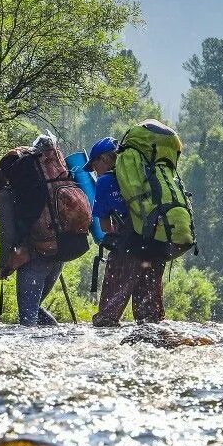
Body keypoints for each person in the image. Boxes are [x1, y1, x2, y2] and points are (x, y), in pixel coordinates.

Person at [86, 137, 165, 327]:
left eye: (94, 166)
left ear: (104, 159)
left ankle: (107, 354)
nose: (95, 172)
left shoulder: (105, 181)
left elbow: (105, 226)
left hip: (128, 247)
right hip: (158, 244)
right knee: (150, 319)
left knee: (107, 316)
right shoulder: (146, 173)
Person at [0, 156, 62, 327]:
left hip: (36, 258)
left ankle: (38, 351)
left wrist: (3, 266)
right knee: (35, 309)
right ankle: (59, 340)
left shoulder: (5, 196)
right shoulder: (24, 192)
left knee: (28, 319)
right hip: (57, 253)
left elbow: (7, 235)